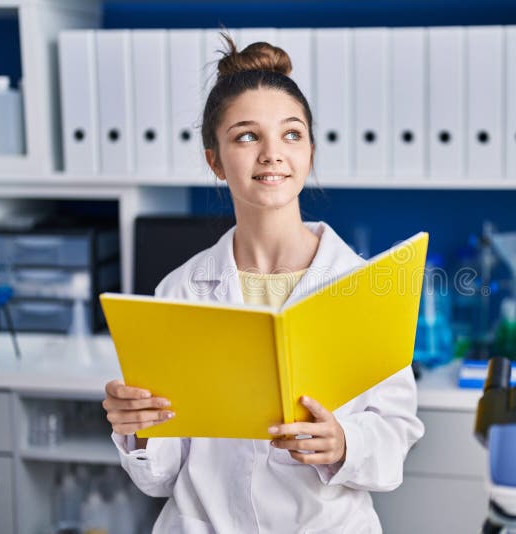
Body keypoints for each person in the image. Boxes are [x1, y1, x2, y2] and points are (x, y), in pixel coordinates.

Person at [102, 36, 424, 533]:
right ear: (215, 159)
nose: (272, 154)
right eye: (247, 136)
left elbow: (396, 434)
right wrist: (140, 432)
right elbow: (160, 479)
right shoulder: (179, 293)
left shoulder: (366, 287)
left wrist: (344, 443)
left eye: (291, 135)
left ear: (311, 151)